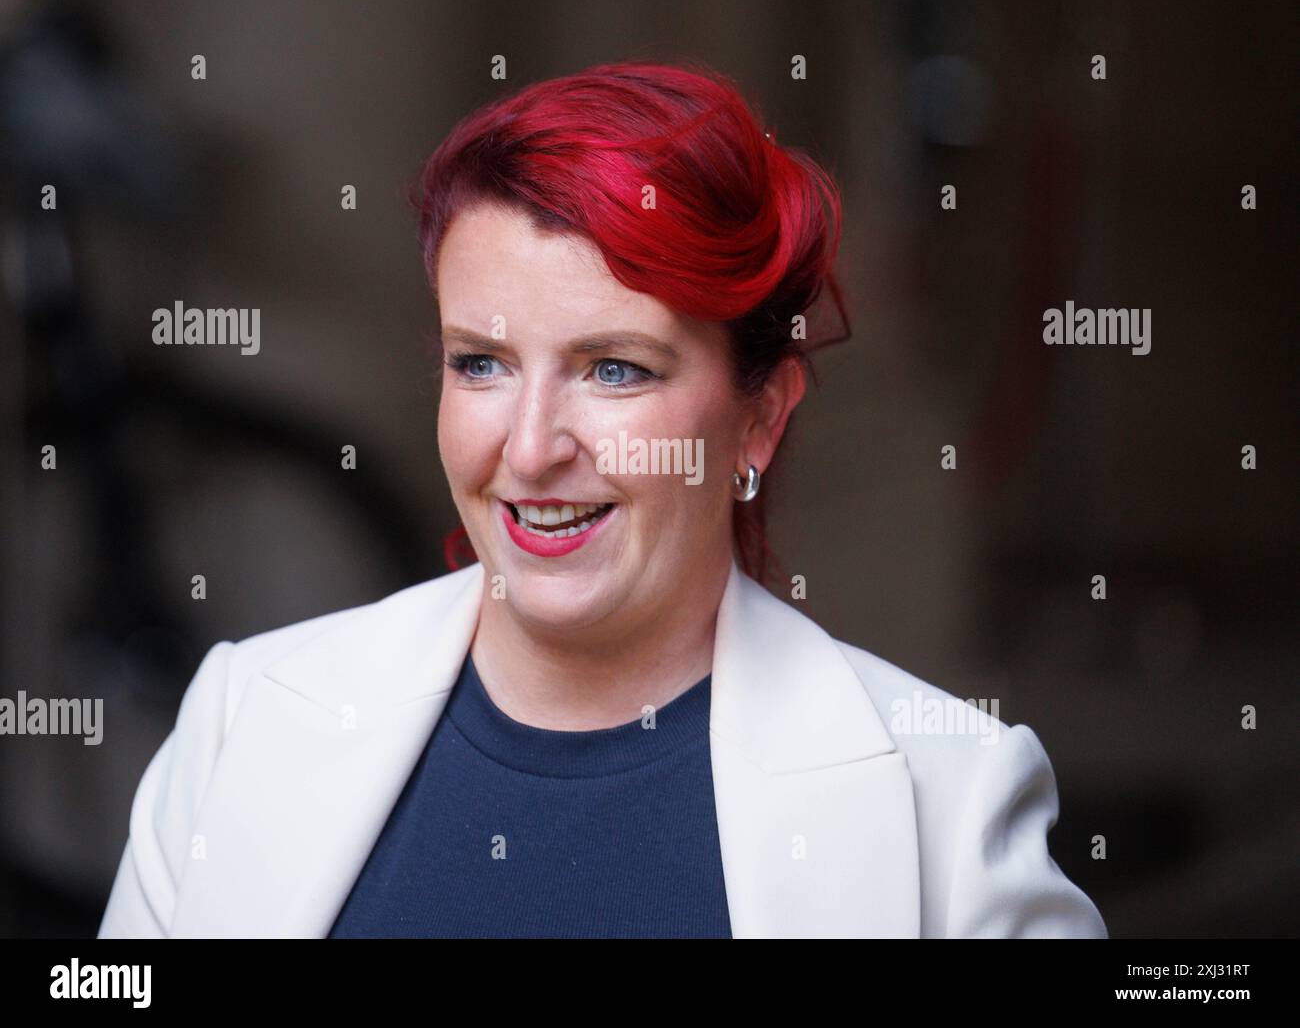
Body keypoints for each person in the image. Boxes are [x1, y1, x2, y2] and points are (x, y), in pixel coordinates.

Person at [98, 60, 1106, 939]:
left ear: (759, 419)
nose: (531, 448)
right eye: (482, 364)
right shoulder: (243, 723)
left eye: (614, 369)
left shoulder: (951, 804)